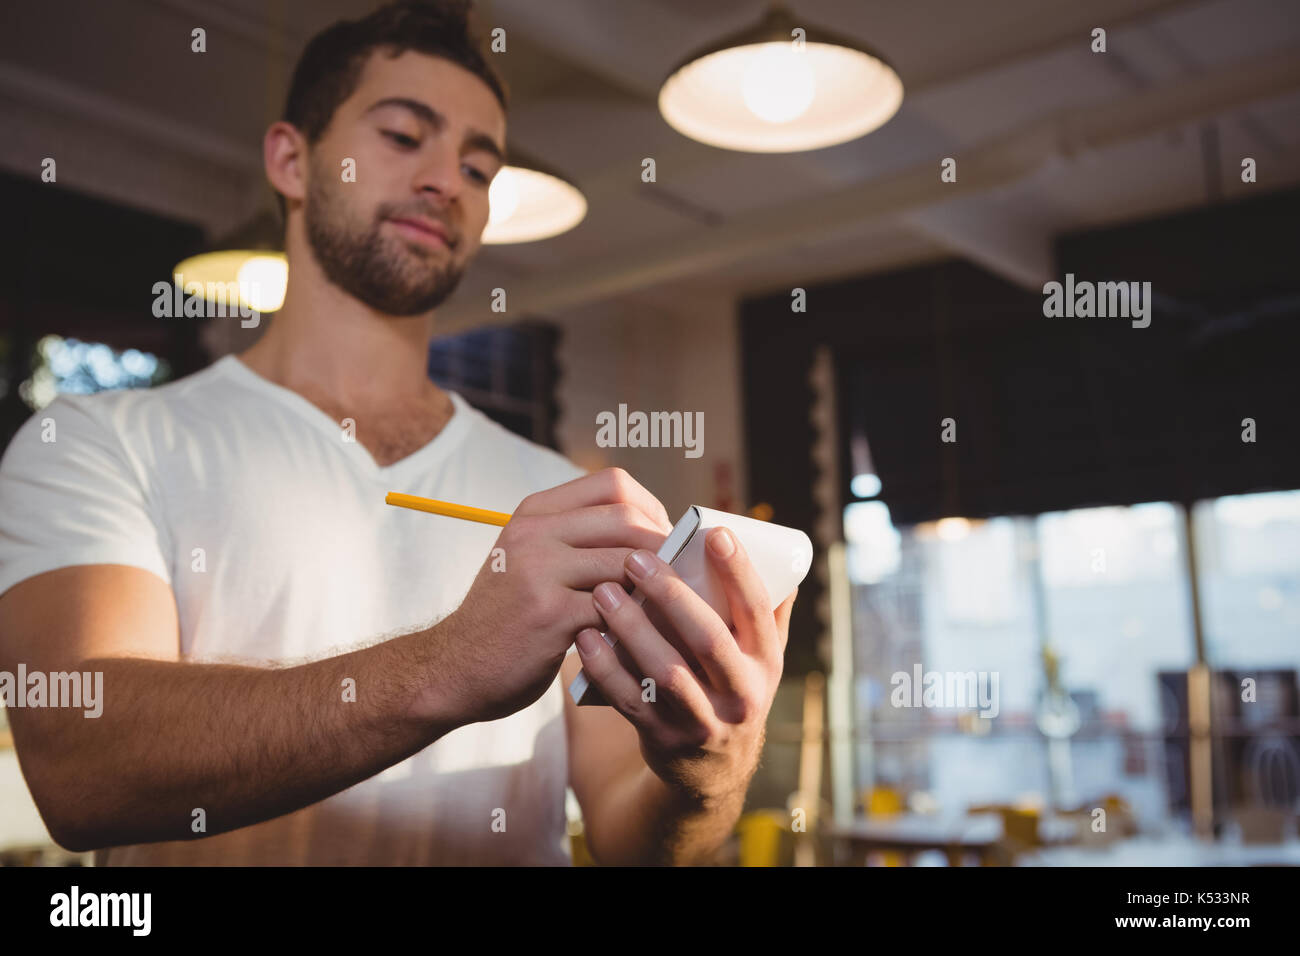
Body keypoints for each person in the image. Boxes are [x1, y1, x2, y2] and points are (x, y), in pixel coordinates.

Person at [0, 0, 796, 866]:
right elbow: (83, 763)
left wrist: (706, 775)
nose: (447, 181)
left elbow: (626, 833)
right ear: (292, 161)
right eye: (403, 136)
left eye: (479, 167)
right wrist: (451, 664)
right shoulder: (96, 439)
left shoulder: (551, 491)